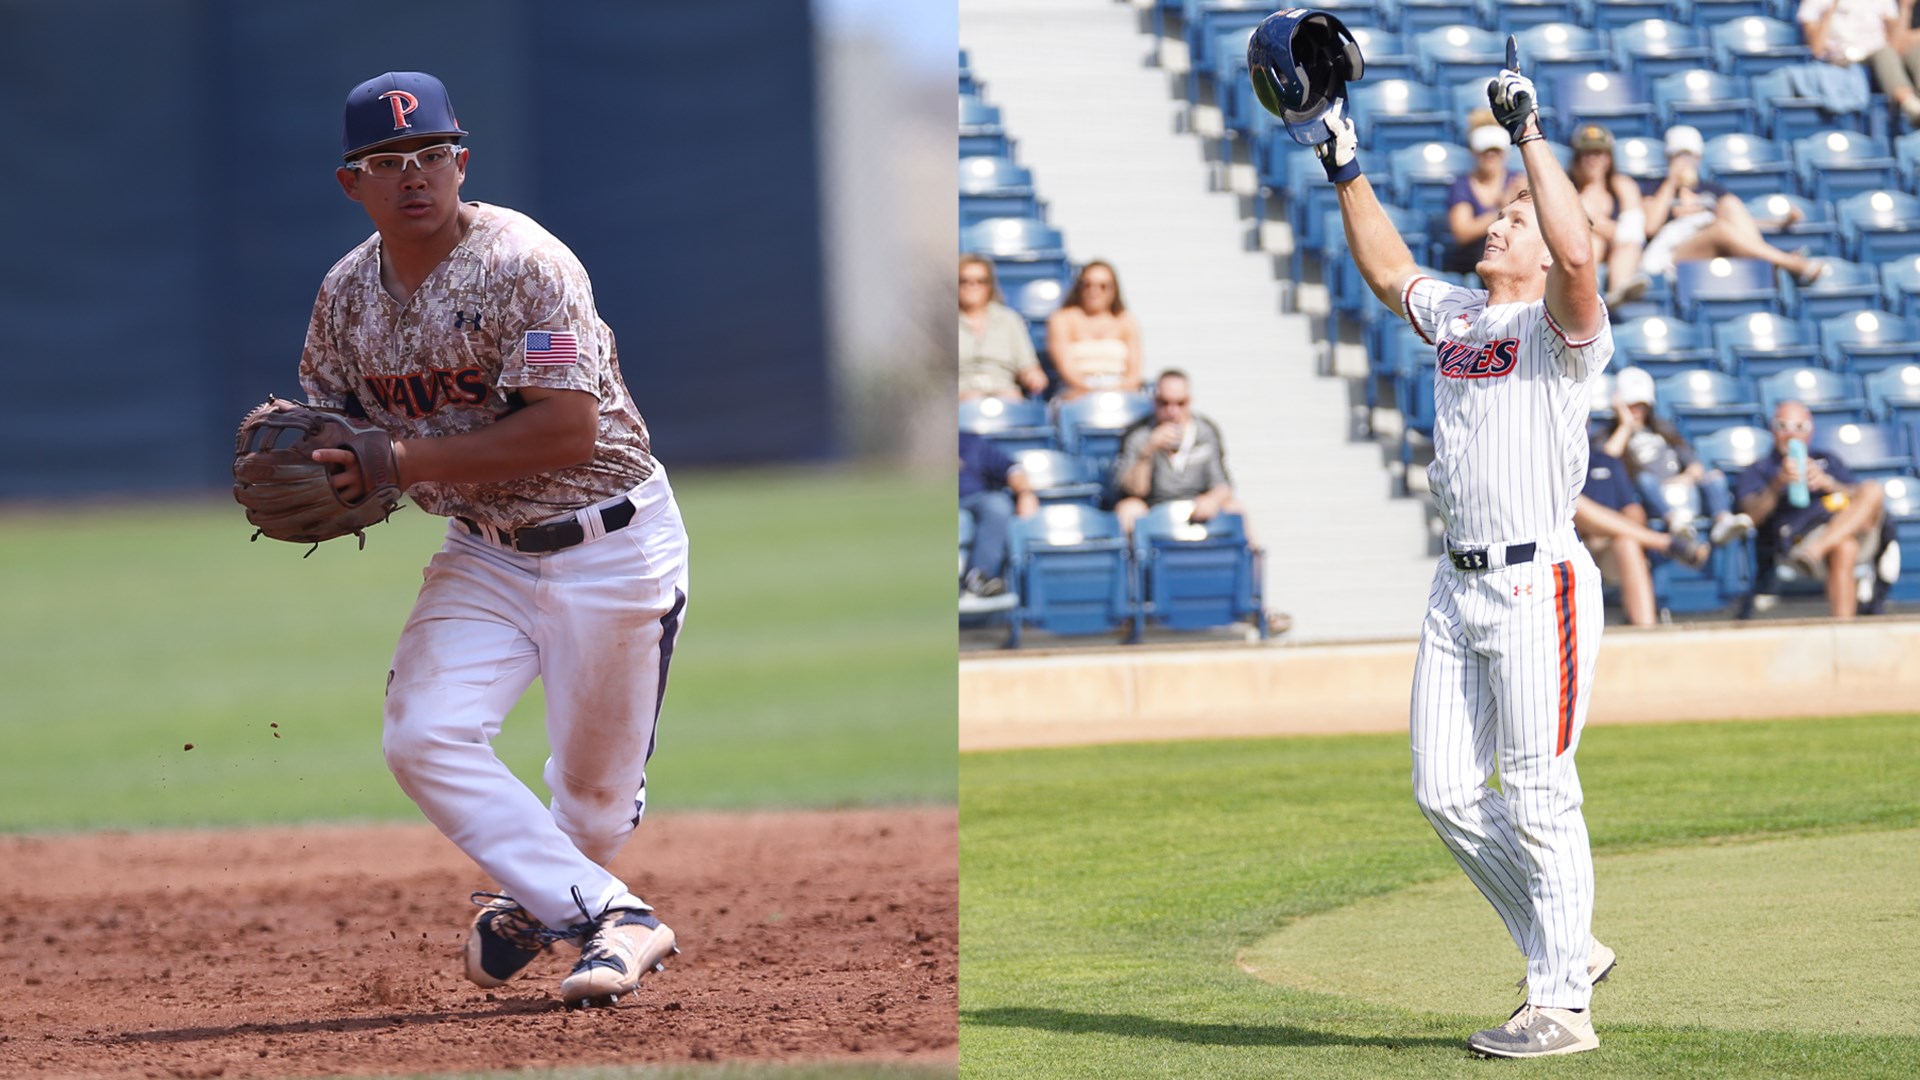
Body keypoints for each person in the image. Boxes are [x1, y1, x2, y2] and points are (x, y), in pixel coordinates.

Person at [297, 72, 685, 1009]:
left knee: (593, 807)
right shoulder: (347, 295)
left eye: (430, 154)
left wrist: (392, 461)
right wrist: (317, 466)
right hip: (485, 551)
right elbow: (322, 423)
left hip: (612, 543)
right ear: (353, 184)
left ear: (461, 162)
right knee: (424, 733)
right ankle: (616, 919)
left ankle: (534, 904)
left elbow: (566, 433)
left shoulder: (526, 263)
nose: (413, 175)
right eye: (386, 162)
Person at [1317, 58, 1614, 1056]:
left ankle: (1561, 1006)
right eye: (1503, 212)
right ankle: (1564, 939)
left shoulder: (1561, 326)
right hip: (1457, 583)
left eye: (1517, 218)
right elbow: (1390, 270)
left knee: (1536, 787)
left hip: (1541, 581)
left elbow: (1579, 257)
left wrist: (1531, 132)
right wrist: (1344, 162)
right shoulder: (1460, 320)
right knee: (1443, 788)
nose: (1499, 220)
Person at [1734, 400, 1888, 618]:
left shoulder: (1827, 460)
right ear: (1772, 429)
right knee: (1844, 547)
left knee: (1872, 489)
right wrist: (1778, 484)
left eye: (1799, 427)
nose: (1791, 434)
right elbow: (1751, 516)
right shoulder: (1760, 469)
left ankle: (1817, 550)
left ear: (1811, 431)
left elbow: (1862, 497)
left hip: (1846, 530)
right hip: (1798, 540)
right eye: (1782, 426)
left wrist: (1829, 484)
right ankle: (1844, 631)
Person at [1633, 126, 1828, 291]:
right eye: (1678, 156)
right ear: (1668, 158)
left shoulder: (1710, 190)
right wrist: (1670, 183)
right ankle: (1788, 263)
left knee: (1730, 205)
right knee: (1721, 230)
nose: (1685, 162)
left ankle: (1774, 263)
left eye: (1689, 155)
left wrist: (1780, 223)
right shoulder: (1655, 188)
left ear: (1699, 158)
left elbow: (1741, 225)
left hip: (1715, 242)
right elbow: (1650, 227)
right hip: (1673, 254)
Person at [1601, 366, 1755, 548]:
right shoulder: (1609, 435)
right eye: (1630, 406)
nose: (1636, 411)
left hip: (1682, 484)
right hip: (1648, 494)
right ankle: (1674, 521)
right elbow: (1607, 459)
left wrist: (1685, 478)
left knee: (1715, 477)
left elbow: (1694, 463)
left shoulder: (1663, 428)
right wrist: (1625, 426)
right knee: (1645, 480)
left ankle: (1723, 520)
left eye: (1640, 406)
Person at [1575, 450, 1712, 627]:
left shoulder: (1606, 461)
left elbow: (1633, 512)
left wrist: (1607, 530)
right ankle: (1665, 542)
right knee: (1576, 503)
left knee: (1627, 544)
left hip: (1605, 548)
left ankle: (1646, 630)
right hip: (1565, 546)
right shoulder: (1549, 460)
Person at [1110, 369, 1244, 536]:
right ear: (1154, 401)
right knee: (1128, 511)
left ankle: (1250, 559)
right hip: (1153, 507)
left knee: (1236, 508)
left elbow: (1224, 485)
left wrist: (1213, 500)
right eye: (1164, 403)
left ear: (1190, 401)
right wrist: (1148, 451)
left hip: (1196, 504)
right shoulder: (1138, 434)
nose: (1172, 411)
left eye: (1180, 403)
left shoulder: (1206, 431)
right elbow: (1134, 492)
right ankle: (1139, 561)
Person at [1565, 125, 1649, 307]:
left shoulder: (1623, 186)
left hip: (1619, 249)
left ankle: (1618, 290)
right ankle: (1585, 293)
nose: (1593, 160)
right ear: (1577, 159)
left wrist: (1595, 223)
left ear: (1609, 158)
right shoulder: (1569, 189)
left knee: (1630, 246)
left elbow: (1632, 233)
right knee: (1594, 242)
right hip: (1582, 249)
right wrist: (1604, 227)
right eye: (1586, 154)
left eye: (1599, 153)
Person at [1799, 0, 1920, 122]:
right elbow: (1816, 48)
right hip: (1843, 58)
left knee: (1915, 53)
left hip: (1879, 51)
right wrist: (1831, 9)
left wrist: (1905, 7)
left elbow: (1896, 44)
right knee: (1884, 54)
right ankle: (1909, 104)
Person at [1441, 109, 1527, 275]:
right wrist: (1501, 210)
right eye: (1485, 151)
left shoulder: (1518, 182)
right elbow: (1462, 232)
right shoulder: (1461, 185)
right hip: (1473, 261)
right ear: (1474, 151)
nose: (1491, 156)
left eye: (1496, 151)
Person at [1045, 260, 1144, 400]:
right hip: (1076, 392)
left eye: (1103, 286)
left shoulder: (1127, 321)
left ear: (1114, 290)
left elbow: (1134, 374)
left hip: (1120, 392)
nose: (1094, 291)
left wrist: (1115, 391)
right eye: (1087, 285)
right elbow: (1066, 368)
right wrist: (1092, 391)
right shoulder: (1062, 319)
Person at [959, 430, 1038, 600]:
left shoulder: (970, 441)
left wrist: (1025, 492)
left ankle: (978, 578)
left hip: (972, 499)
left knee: (998, 505)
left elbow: (1011, 468)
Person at [959, 254, 1048, 401]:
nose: (972, 286)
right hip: (961, 394)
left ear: (990, 285)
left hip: (1004, 391)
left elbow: (1027, 364)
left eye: (980, 281)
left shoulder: (1009, 319)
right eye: (964, 281)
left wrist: (1033, 376)